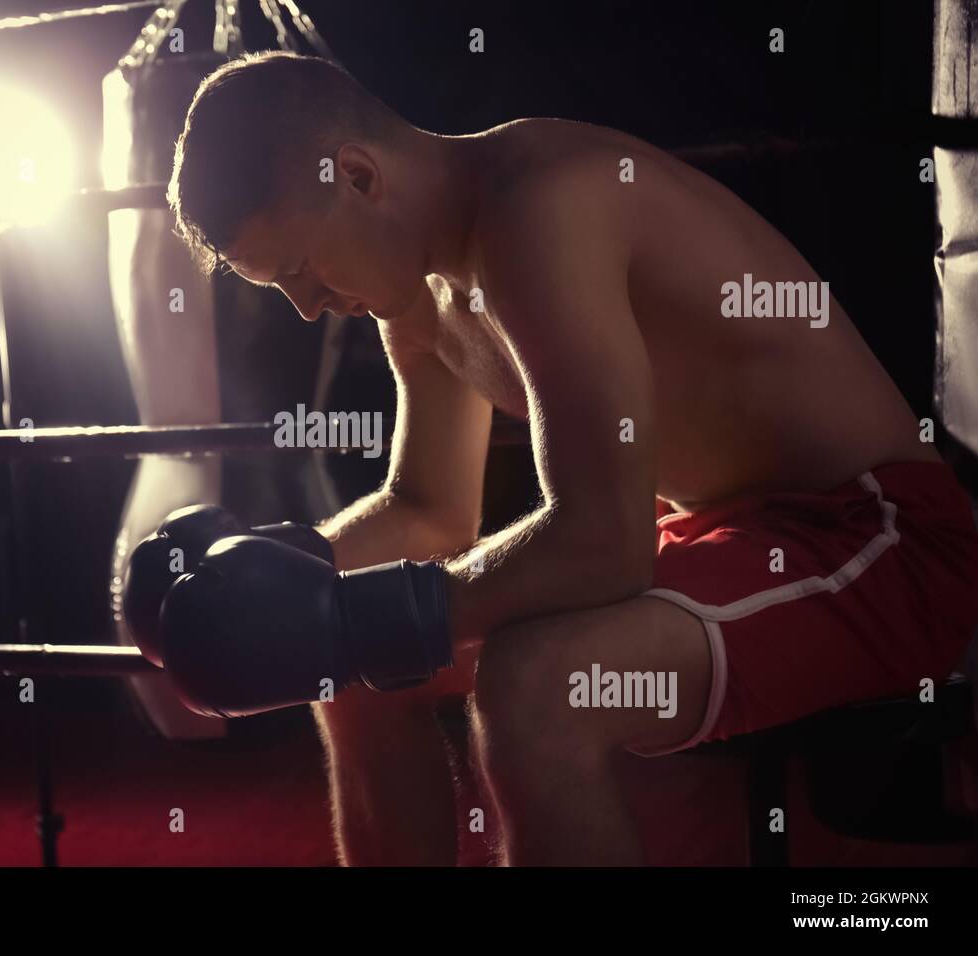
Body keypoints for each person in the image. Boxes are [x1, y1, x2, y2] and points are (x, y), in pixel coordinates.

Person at [127, 51, 978, 866]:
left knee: (534, 688)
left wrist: (336, 615)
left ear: (356, 175)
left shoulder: (541, 210)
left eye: (301, 269)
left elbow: (602, 544)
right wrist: (278, 575)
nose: (308, 309)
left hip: (883, 544)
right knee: (353, 675)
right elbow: (429, 510)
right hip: (715, 537)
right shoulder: (415, 300)